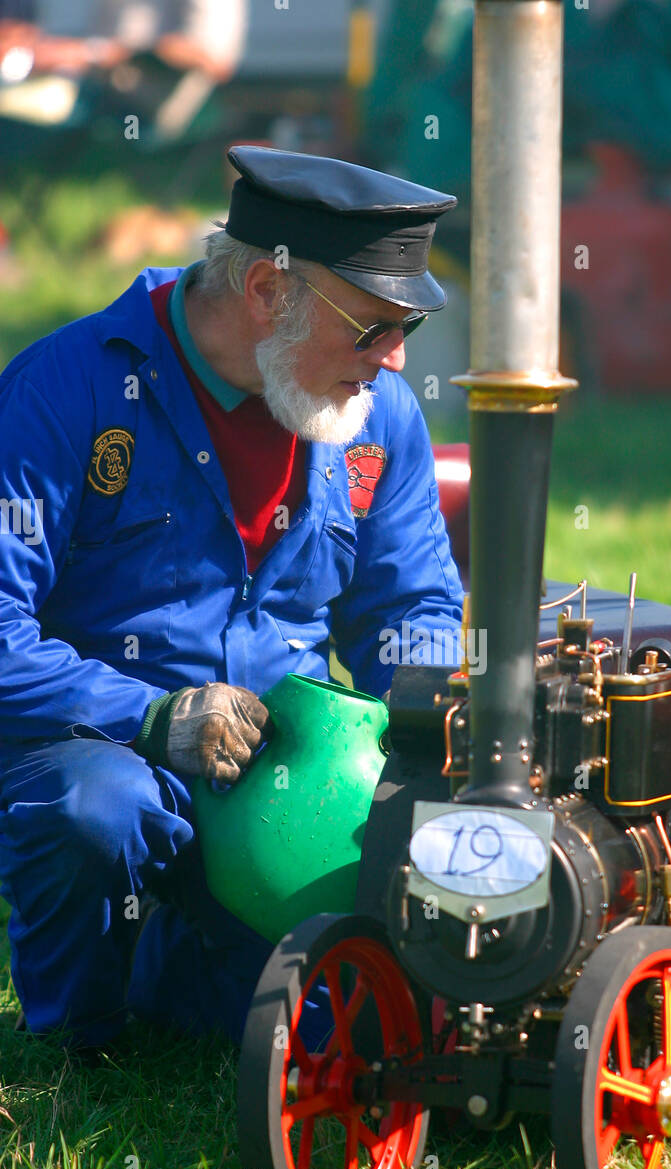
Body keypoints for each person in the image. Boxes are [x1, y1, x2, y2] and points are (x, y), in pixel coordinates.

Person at [0, 145, 463, 1056]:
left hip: (284, 787)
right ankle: (82, 1047)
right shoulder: (64, 393)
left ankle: (178, 965)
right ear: (265, 290)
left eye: (405, 327)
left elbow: (411, 612)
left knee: (350, 1034)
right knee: (102, 813)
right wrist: (152, 714)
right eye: (373, 327)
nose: (396, 359)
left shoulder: (378, 418)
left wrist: (443, 723)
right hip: (93, 756)